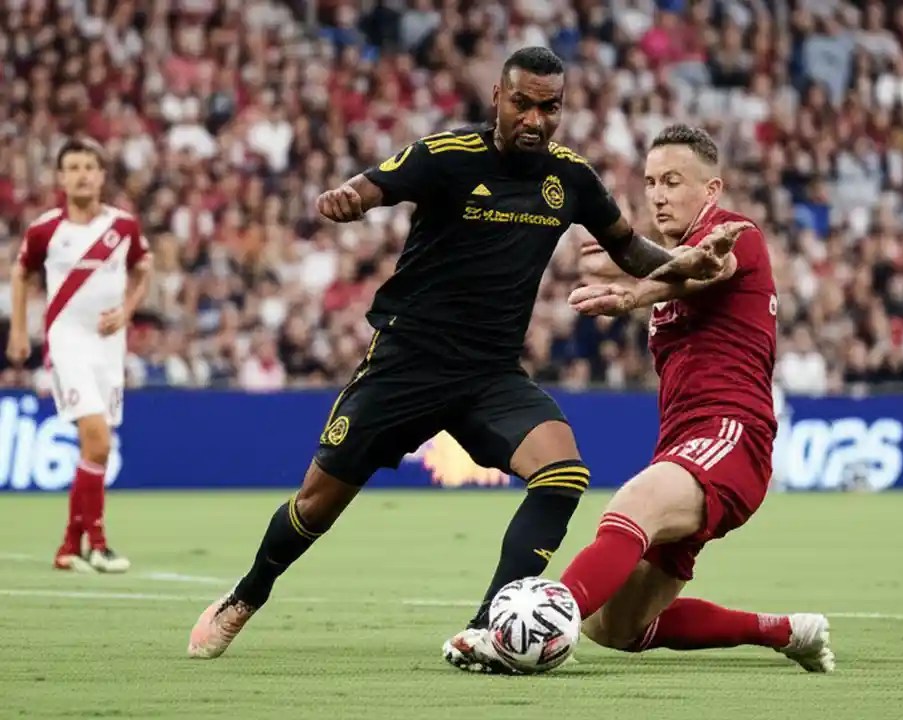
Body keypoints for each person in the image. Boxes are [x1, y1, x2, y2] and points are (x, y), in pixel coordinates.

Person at [187, 48, 731, 660]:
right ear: (498, 98)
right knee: (316, 503)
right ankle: (246, 595)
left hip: (489, 375)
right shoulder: (447, 156)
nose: (534, 118)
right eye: (522, 103)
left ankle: (489, 628)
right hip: (405, 365)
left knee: (564, 473)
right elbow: (374, 184)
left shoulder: (570, 179)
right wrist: (348, 198)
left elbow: (629, 249)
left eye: (548, 108)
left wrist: (688, 264)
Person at [452, 124, 834, 674]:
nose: (657, 193)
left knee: (630, 509)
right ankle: (785, 632)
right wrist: (618, 268)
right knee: (617, 627)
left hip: (729, 435)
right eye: (651, 181)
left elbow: (703, 268)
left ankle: (521, 637)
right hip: (682, 444)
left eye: (673, 181)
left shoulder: (736, 233)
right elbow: (673, 267)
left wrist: (631, 292)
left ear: (711, 190)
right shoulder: (668, 258)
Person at [7, 138, 152, 574]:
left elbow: (143, 269)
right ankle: (97, 545)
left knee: (96, 450)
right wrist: (18, 329)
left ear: (102, 174)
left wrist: (126, 311)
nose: (82, 174)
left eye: (90, 165)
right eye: (73, 167)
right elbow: (20, 272)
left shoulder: (123, 226)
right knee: (98, 439)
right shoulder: (46, 230)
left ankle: (68, 548)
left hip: (109, 347)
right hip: (67, 341)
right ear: (60, 177)